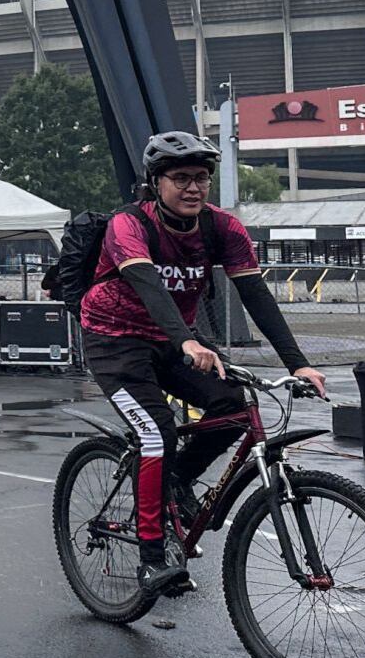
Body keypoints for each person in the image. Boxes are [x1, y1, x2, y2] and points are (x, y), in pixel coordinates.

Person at [78, 132, 327, 598]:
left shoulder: (222, 228)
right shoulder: (128, 225)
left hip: (175, 340)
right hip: (114, 339)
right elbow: (149, 286)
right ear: (155, 183)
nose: (193, 188)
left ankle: (178, 479)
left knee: (232, 403)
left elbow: (255, 295)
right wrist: (188, 341)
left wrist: (298, 364)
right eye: (180, 178)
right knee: (156, 431)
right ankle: (153, 559)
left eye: (201, 178)